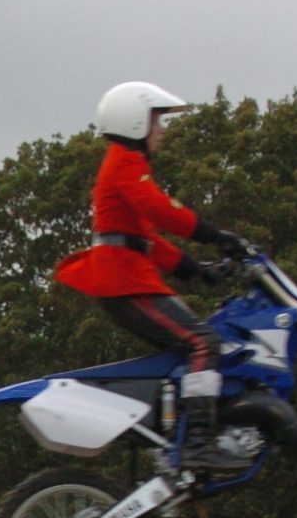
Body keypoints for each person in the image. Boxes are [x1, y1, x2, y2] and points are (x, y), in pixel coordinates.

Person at [52, 80, 258, 472]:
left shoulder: (123, 165)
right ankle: (198, 441)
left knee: (186, 348)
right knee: (202, 343)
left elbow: (146, 239)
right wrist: (216, 235)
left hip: (126, 279)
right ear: (134, 122)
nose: (162, 130)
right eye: (156, 121)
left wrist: (195, 269)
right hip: (125, 283)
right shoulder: (125, 163)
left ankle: (177, 432)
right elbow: (162, 210)